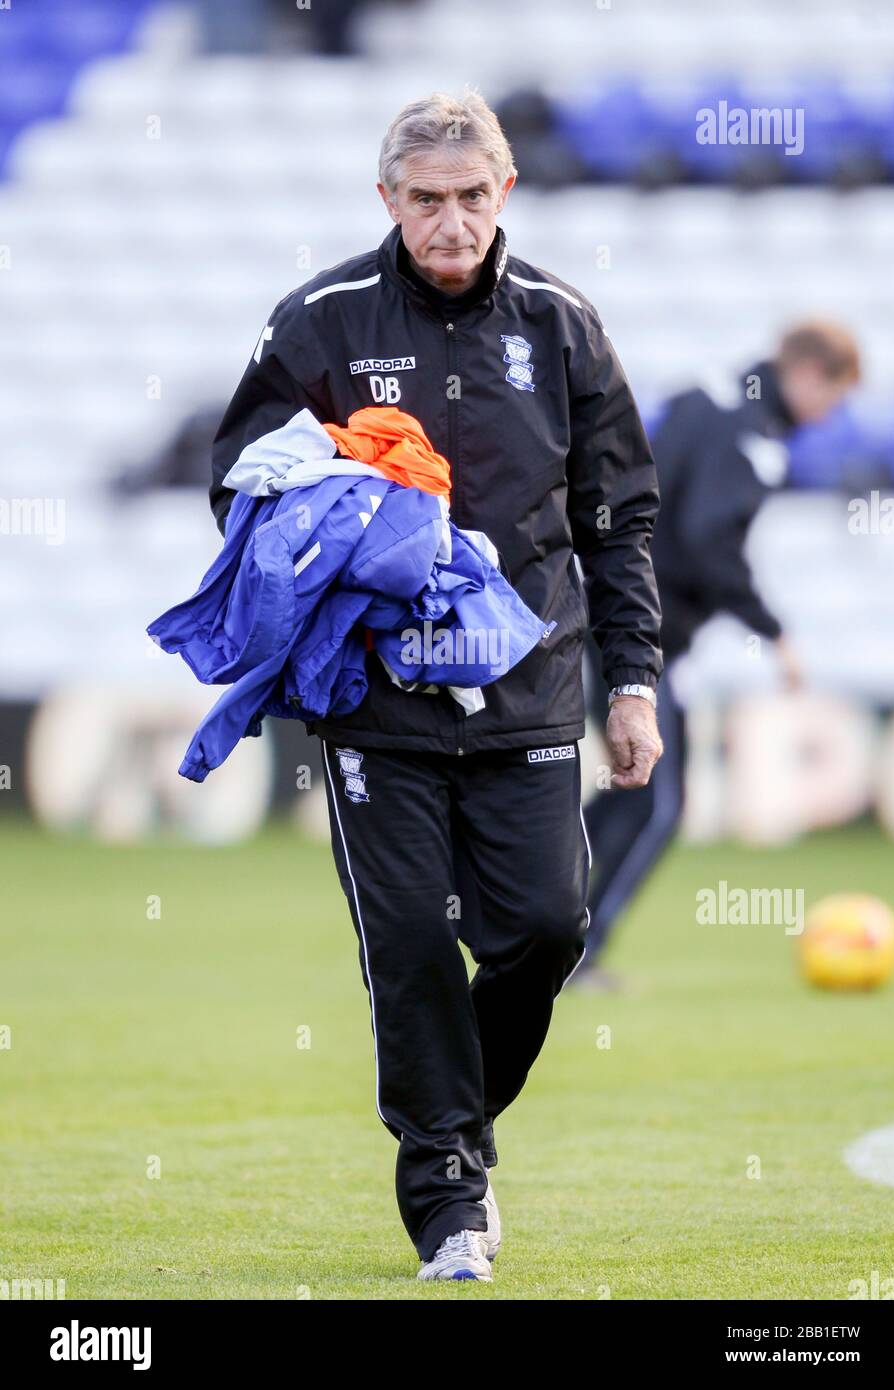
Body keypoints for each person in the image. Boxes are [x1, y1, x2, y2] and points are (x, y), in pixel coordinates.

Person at [208, 88, 663, 1280]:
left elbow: (618, 521)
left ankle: (453, 1118)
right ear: (387, 201)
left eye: (471, 197)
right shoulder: (319, 320)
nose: (451, 221)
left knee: (547, 931)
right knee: (410, 942)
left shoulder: (564, 325)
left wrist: (633, 683)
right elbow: (239, 486)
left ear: (503, 191)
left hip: (528, 688)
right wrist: (337, 519)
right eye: (426, 201)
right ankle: (450, 1196)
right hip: (375, 702)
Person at [571, 321, 862, 992]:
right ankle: (569, 952)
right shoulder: (750, 434)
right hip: (635, 636)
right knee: (653, 803)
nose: (831, 415)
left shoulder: (707, 398)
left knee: (625, 797)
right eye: (835, 396)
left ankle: (526, 915)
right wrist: (775, 631)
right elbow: (707, 540)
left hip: (604, 614)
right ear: (812, 374)